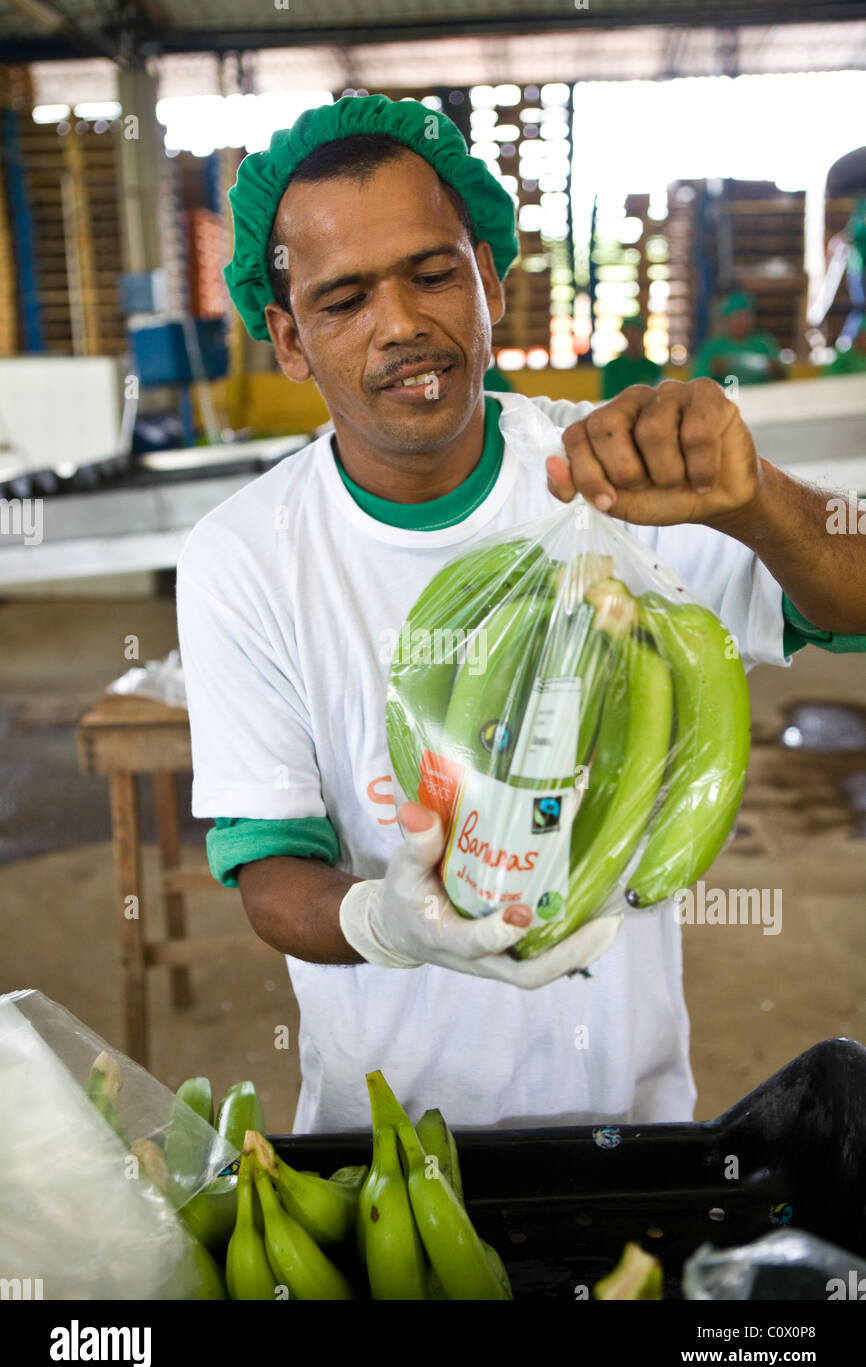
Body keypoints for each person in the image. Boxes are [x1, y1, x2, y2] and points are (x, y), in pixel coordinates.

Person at [177, 95, 866, 1134]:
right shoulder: (244, 556)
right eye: (344, 298)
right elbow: (268, 869)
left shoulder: (619, 475)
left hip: (627, 1120)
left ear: (490, 279)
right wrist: (385, 920)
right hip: (384, 1144)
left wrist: (754, 498)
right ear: (287, 338)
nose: (401, 324)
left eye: (432, 272)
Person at [691, 291, 785, 387]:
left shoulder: (763, 343)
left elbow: (782, 375)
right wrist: (713, 370)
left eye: (746, 317)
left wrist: (774, 369)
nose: (742, 322)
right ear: (725, 321)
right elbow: (697, 381)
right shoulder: (712, 348)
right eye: (737, 318)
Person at [600, 314, 662, 399]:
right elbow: (608, 399)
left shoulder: (653, 368)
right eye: (629, 331)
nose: (633, 336)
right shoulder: (613, 367)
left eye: (637, 332)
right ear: (624, 334)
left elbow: (660, 397)